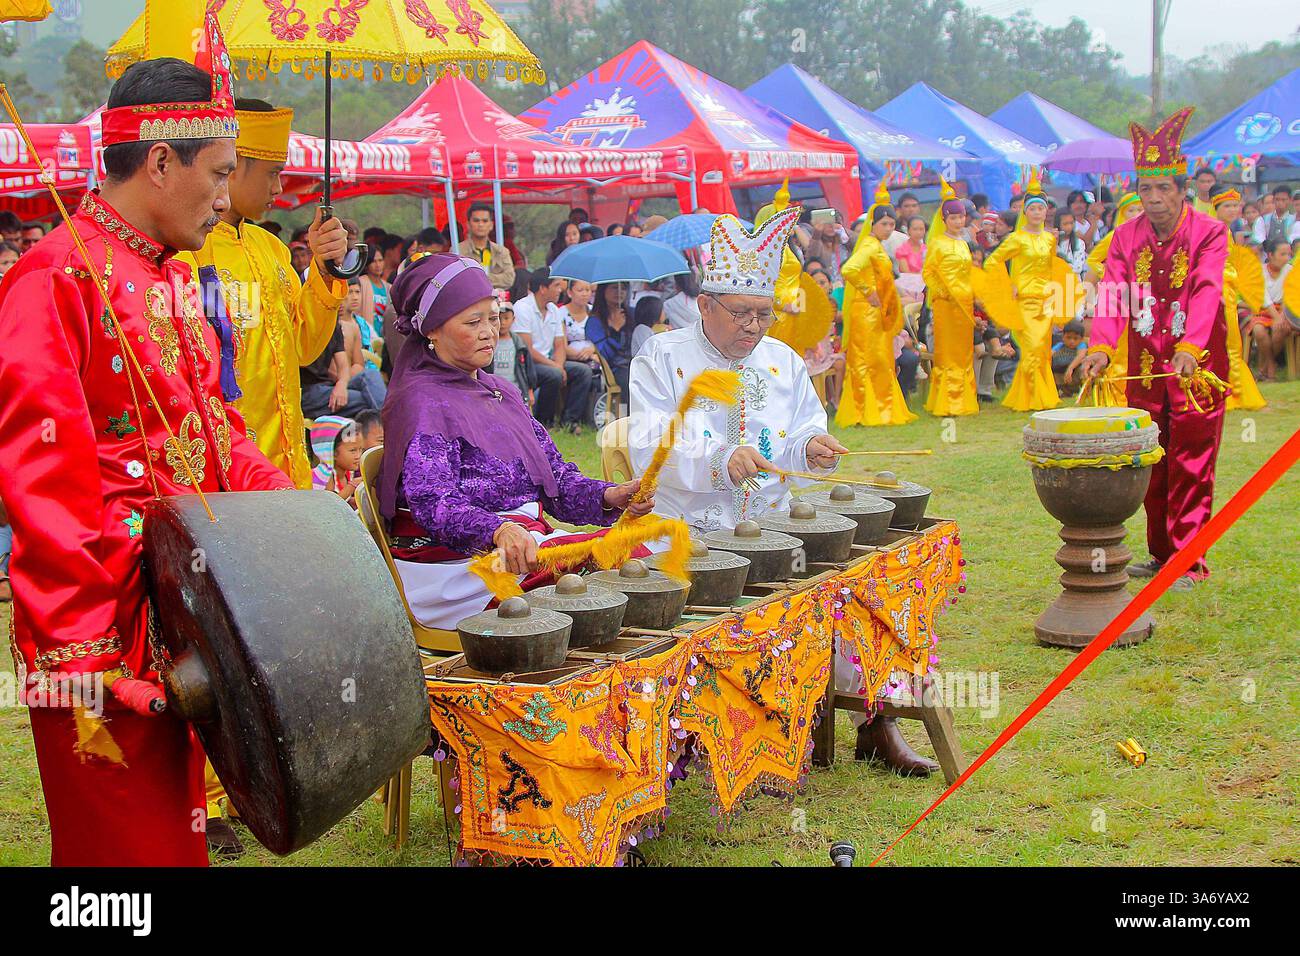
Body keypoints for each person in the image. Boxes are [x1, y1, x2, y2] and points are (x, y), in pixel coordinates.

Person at [0, 21, 296, 866]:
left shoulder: (169, 275)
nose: (225, 194)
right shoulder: (55, 279)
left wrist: (295, 507)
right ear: (160, 161)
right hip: (99, 640)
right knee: (118, 859)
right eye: (218, 172)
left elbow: (214, 432)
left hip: (184, 612)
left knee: (176, 838)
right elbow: (43, 488)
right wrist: (93, 660)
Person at [376, 254, 652, 629]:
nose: (489, 331)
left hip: (523, 549)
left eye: (493, 318)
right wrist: (497, 529)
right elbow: (433, 503)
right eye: (473, 322)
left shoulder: (499, 391)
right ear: (432, 331)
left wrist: (610, 496)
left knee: (637, 557)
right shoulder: (423, 401)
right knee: (617, 563)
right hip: (463, 570)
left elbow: (555, 478)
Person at [1080, 108, 1230, 589]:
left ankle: (1189, 562)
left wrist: (1192, 346)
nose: (1155, 198)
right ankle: (1161, 553)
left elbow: (1207, 290)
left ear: (1182, 190)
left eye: (1164, 188)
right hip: (1145, 366)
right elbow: (1112, 293)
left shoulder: (1210, 233)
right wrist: (1101, 347)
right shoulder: (1125, 236)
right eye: (1146, 188)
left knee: (1192, 461)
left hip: (1196, 364)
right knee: (1153, 458)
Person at [629, 205, 846, 530]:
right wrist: (720, 460)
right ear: (705, 306)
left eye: (763, 314)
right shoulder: (661, 355)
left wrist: (809, 447)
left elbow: (802, 427)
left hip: (773, 527)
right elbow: (650, 446)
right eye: (740, 313)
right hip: (685, 532)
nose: (753, 326)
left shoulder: (783, 359)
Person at [177, 97, 349, 495]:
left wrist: (324, 270)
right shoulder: (186, 253)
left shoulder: (271, 249)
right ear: (232, 167)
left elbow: (302, 348)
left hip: (286, 462)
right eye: (272, 174)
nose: (278, 188)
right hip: (227, 472)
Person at [983, 178, 1072, 412]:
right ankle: (1032, 397)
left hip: (1045, 301)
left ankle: (1034, 396)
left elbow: (1053, 267)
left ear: (1046, 212)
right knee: (1031, 347)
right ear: (1025, 211)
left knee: (1041, 351)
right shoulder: (1016, 239)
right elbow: (993, 261)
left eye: (1041, 208)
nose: (1037, 212)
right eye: (1032, 208)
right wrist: (1008, 284)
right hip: (1024, 301)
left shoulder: (1050, 238)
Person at [837, 190, 916, 427]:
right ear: (873, 224)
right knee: (864, 360)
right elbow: (848, 269)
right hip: (865, 311)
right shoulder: (870, 246)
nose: (889, 228)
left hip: (876, 312)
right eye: (884, 223)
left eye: (892, 224)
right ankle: (862, 411)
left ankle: (881, 407)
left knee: (881, 360)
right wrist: (868, 291)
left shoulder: (877, 246)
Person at [922, 187, 979, 416]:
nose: (958, 221)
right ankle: (947, 401)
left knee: (964, 351)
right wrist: (942, 292)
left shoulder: (964, 243)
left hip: (964, 303)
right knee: (948, 351)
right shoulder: (937, 243)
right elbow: (928, 273)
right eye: (953, 217)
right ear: (944, 219)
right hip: (945, 304)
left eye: (961, 217)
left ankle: (964, 399)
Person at [1209, 185, 1267, 410]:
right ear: (1216, 207)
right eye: (1227, 206)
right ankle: (1231, 393)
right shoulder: (1214, 230)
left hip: (1229, 292)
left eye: (1235, 205)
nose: (1233, 210)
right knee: (1228, 341)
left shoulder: (1228, 231)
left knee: (1232, 342)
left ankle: (1234, 391)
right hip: (1218, 291)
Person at [514, 267, 591, 430]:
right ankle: (544, 422)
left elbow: (559, 345)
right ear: (543, 288)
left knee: (583, 371)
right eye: (556, 285)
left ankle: (570, 420)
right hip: (528, 364)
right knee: (554, 374)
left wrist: (559, 364)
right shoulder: (522, 308)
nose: (560, 289)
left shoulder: (554, 310)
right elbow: (526, 350)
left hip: (549, 362)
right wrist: (556, 367)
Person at [301, 314, 384, 419]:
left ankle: (389, 427)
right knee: (367, 398)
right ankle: (391, 428)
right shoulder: (300, 323)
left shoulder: (332, 324)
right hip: (308, 392)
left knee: (371, 374)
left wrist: (341, 384)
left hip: (329, 386)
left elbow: (343, 365)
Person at [1249, 238, 1293, 381]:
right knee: (1259, 331)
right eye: (1282, 254)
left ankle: (1264, 368)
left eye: (1288, 254)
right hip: (1263, 309)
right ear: (1270, 255)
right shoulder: (1259, 271)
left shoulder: (1290, 270)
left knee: (1280, 329)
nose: (1286, 258)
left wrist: (1282, 316)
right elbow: (1264, 299)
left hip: (1283, 310)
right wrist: (1276, 317)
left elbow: (1289, 296)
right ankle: (1271, 366)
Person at [585, 281, 634, 395]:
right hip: (614, 369)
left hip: (635, 363)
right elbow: (604, 354)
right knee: (630, 380)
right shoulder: (594, 321)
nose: (619, 292)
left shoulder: (631, 314)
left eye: (623, 288)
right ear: (603, 291)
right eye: (614, 288)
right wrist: (616, 329)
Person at [457, 203, 515, 292]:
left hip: (495, 301)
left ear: (491, 225)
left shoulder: (502, 251)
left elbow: (509, 279)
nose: (480, 224)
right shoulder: (457, 250)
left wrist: (479, 278)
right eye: (476, 220)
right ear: (468, 224)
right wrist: (494, 278)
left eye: (485, 221)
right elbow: (459, 280)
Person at [492, 301, 536, 401]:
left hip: (515, 390)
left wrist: (529, 391)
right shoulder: (488, 342)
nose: (502, 322)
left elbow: (528, 369)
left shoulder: (520, 344)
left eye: (506, 318)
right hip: (494, 390)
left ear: (513, 319)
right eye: (498, 318)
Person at [310, 415, 361, 500]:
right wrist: (352, 485)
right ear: (333, 453)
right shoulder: (326, 477)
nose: (358, 456)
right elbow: (331, 504)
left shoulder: (348, 472)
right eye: (353, 450)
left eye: (360, 449)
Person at [559, 278, 599, 365]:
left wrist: (592, 350)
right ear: (569, 293)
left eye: (587, 290)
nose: (584, 294)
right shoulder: (560, 313)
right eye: (580, 290)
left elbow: (601, 339)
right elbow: (562, 346)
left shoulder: (594, 312)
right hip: (572, 359)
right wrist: (588, 356)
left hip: (595, 356)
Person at [361, 243, 391, 337]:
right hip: (366, 336)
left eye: (380, 260)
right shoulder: (361, 283)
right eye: (373, 261)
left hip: (385, 339)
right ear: (366, 263)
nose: (378, 265)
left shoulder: (389, 287)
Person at [1052, 319, 1087, 394]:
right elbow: (1050, 354)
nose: (1072, 341)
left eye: (1075, 338)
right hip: (1063, 374)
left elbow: (1081, 356)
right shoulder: (1060, 345)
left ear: (1081, 339)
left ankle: (1085, 391)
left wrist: (1070, 368)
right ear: (1063, 337)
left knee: (1083, 369)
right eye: (1068, 337)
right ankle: (1065, 392)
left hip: (1076, 374)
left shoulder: (1081, 345)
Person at [1057, 208, 1088, 276]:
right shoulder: (1050, 243)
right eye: (1065, 224)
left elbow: (1077, 268)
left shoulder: (1079, 243)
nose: (1069, 227)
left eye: (1071, 223)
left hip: (1072, 282)